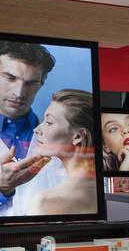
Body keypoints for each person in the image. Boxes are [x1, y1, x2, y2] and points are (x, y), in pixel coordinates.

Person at [13, 89, 100, 217]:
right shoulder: (106, 194)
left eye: (49, 122)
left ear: (77, 137)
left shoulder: (44, 203)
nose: (37, 130)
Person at [0, 41, 59, 214]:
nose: (19, 93)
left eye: (31, 82)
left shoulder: (61, 139)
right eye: (10, 78)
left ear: (42, 82)